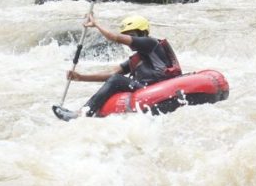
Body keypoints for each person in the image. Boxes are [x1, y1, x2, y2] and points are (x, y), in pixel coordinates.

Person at [53, 14, 181, 121]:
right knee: (116, 79)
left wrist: (96, 24)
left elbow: (114, 38)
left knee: (117, 80)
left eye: (131, 34)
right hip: (145, 90)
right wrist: (81, 77)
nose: (129, 38)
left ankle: (82, 114)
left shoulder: (151, 43)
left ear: (142, 33)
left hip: (160, 89)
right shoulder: (137, 58)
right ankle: (89, 112)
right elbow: (112, 73)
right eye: (127, 35)